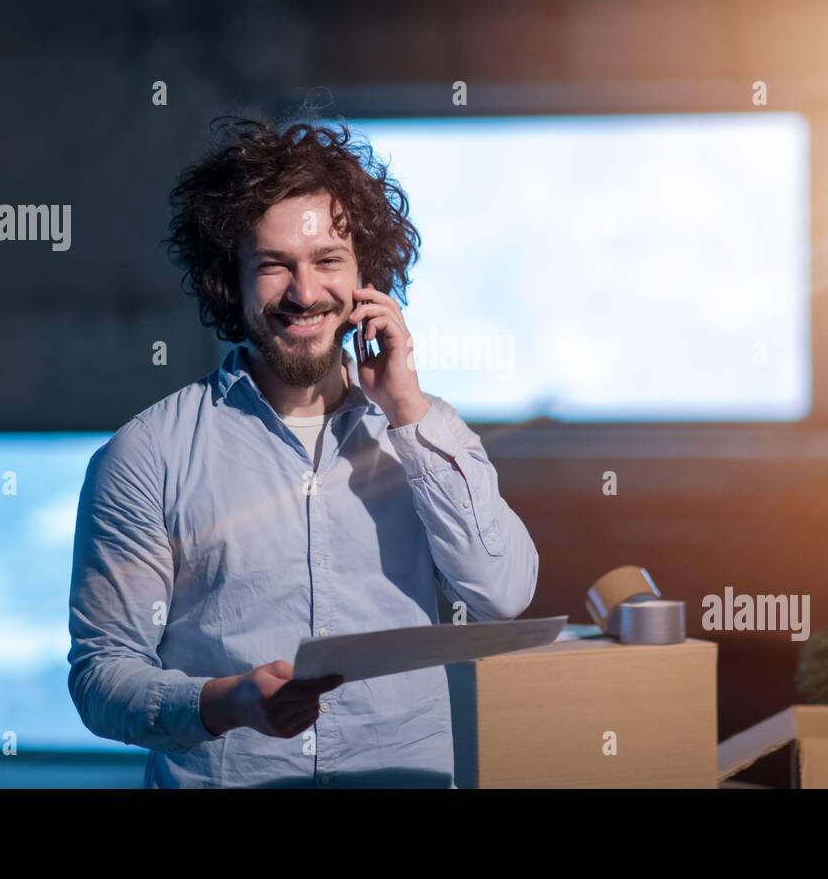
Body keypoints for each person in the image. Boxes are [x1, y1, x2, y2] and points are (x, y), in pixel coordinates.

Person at [67, 116, 540, 787]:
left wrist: (407, 409)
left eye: (327, 261)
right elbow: (101, 676)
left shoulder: (426, 432)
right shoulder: (146, 455)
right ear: (228, 279)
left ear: (366, 277)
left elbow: (503, 593)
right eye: (274, 265)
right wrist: (225, 701)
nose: (305, 292)